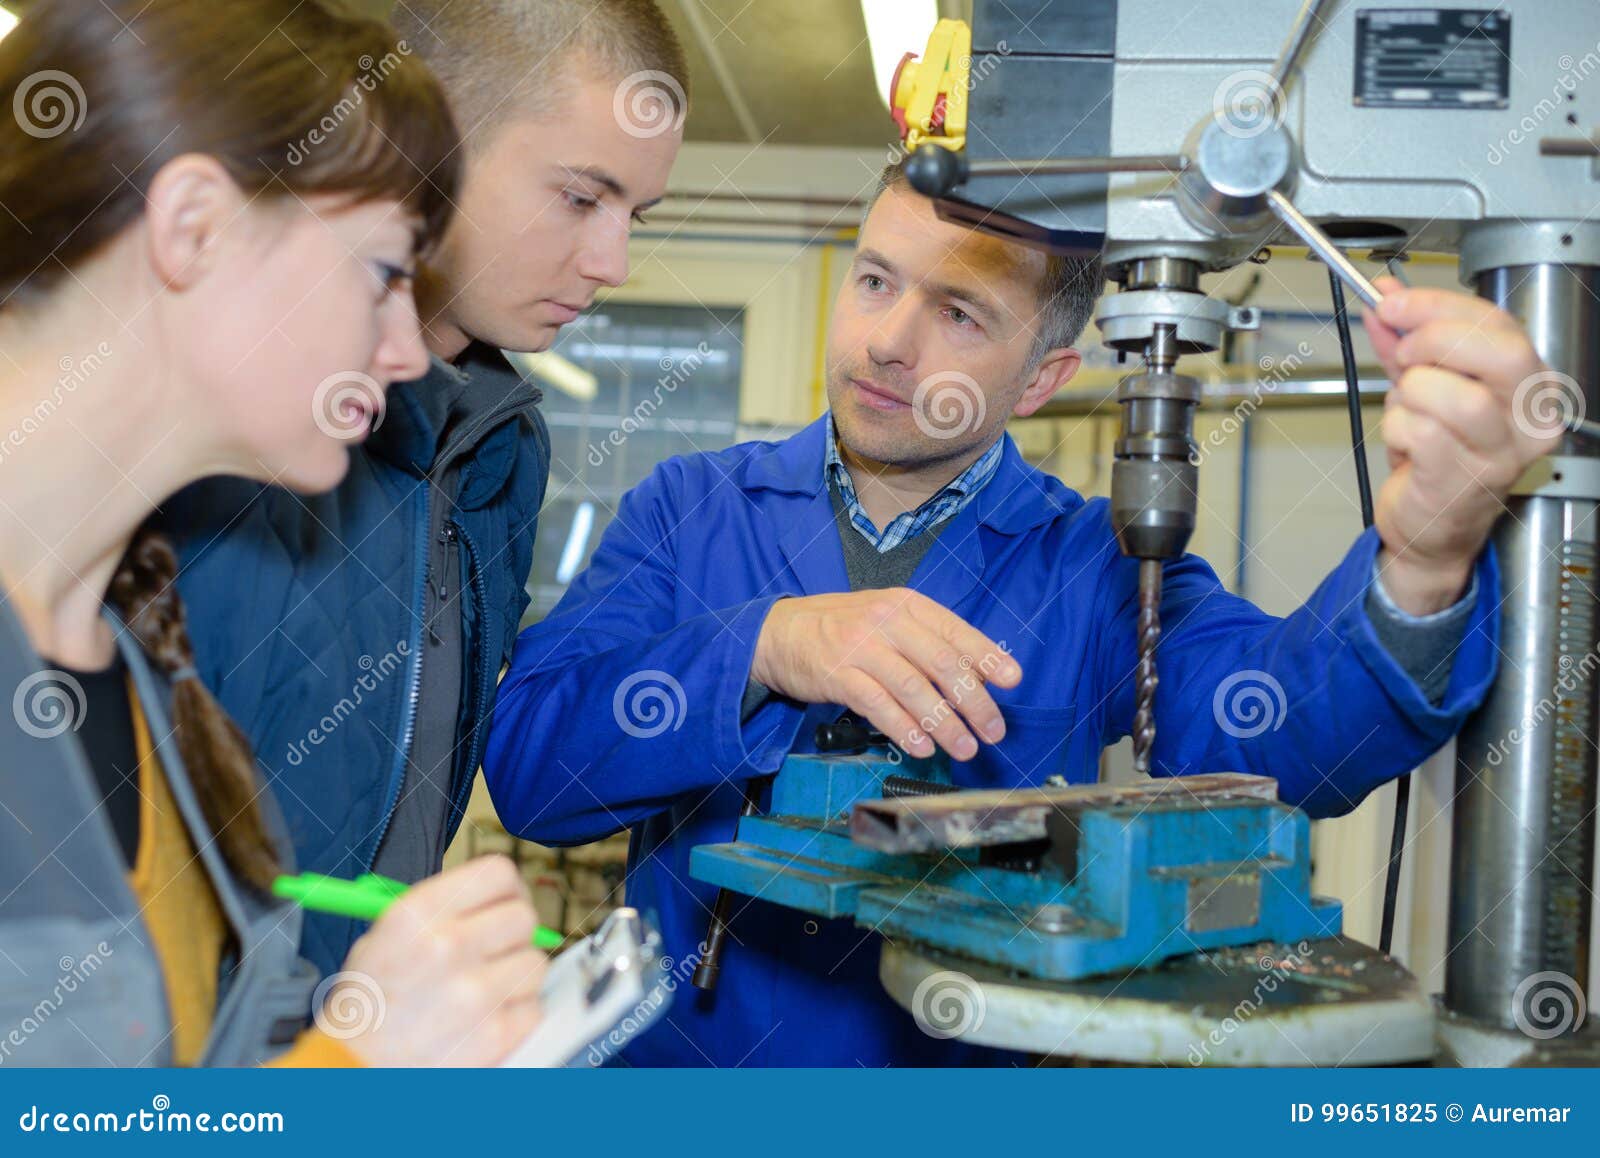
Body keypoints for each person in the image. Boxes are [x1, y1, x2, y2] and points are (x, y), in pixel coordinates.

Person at [482, 160, 1553, 1066]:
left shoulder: (1087, 562)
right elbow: (531, 769)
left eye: (958, 313)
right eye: (873, 280)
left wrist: (1421, 562)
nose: (890, 341)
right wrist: (765, 645)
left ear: (1042, 378)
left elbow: (1288, 738)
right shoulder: (692, 510)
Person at [0, 0, 546, 1067]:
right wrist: (356, 1065)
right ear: (193, 227)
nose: (403, 354)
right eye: (385, 274)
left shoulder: (133, 671)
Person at [164, 0, 690, 979]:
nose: (610, 263)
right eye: (580, 199)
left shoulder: (500, 450)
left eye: (634, 217)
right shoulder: (233, 418)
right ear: (431, 135)